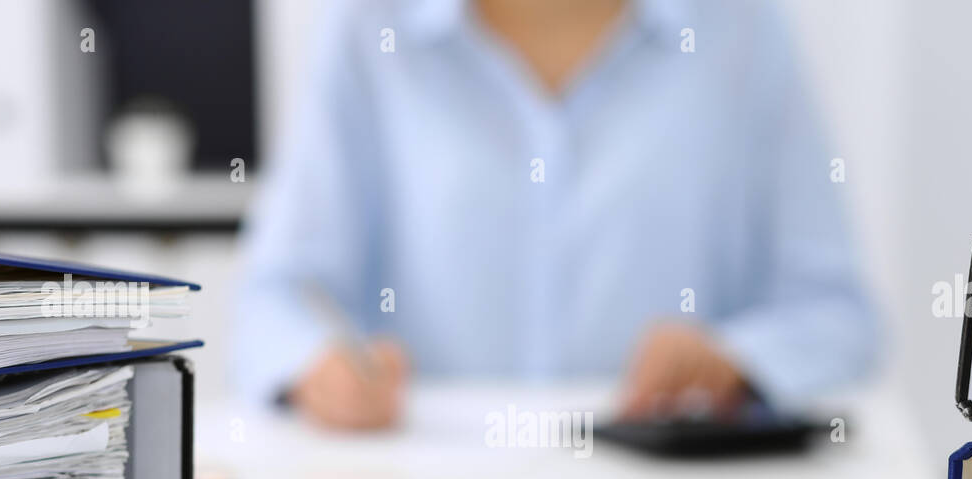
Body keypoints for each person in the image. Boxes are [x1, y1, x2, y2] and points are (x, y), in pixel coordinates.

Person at [237, 0, 875, 429]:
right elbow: (273, 300)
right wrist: (318, 368)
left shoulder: (740, 27)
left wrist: (735, 360)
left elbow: (837, 314)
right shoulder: (369, 26)